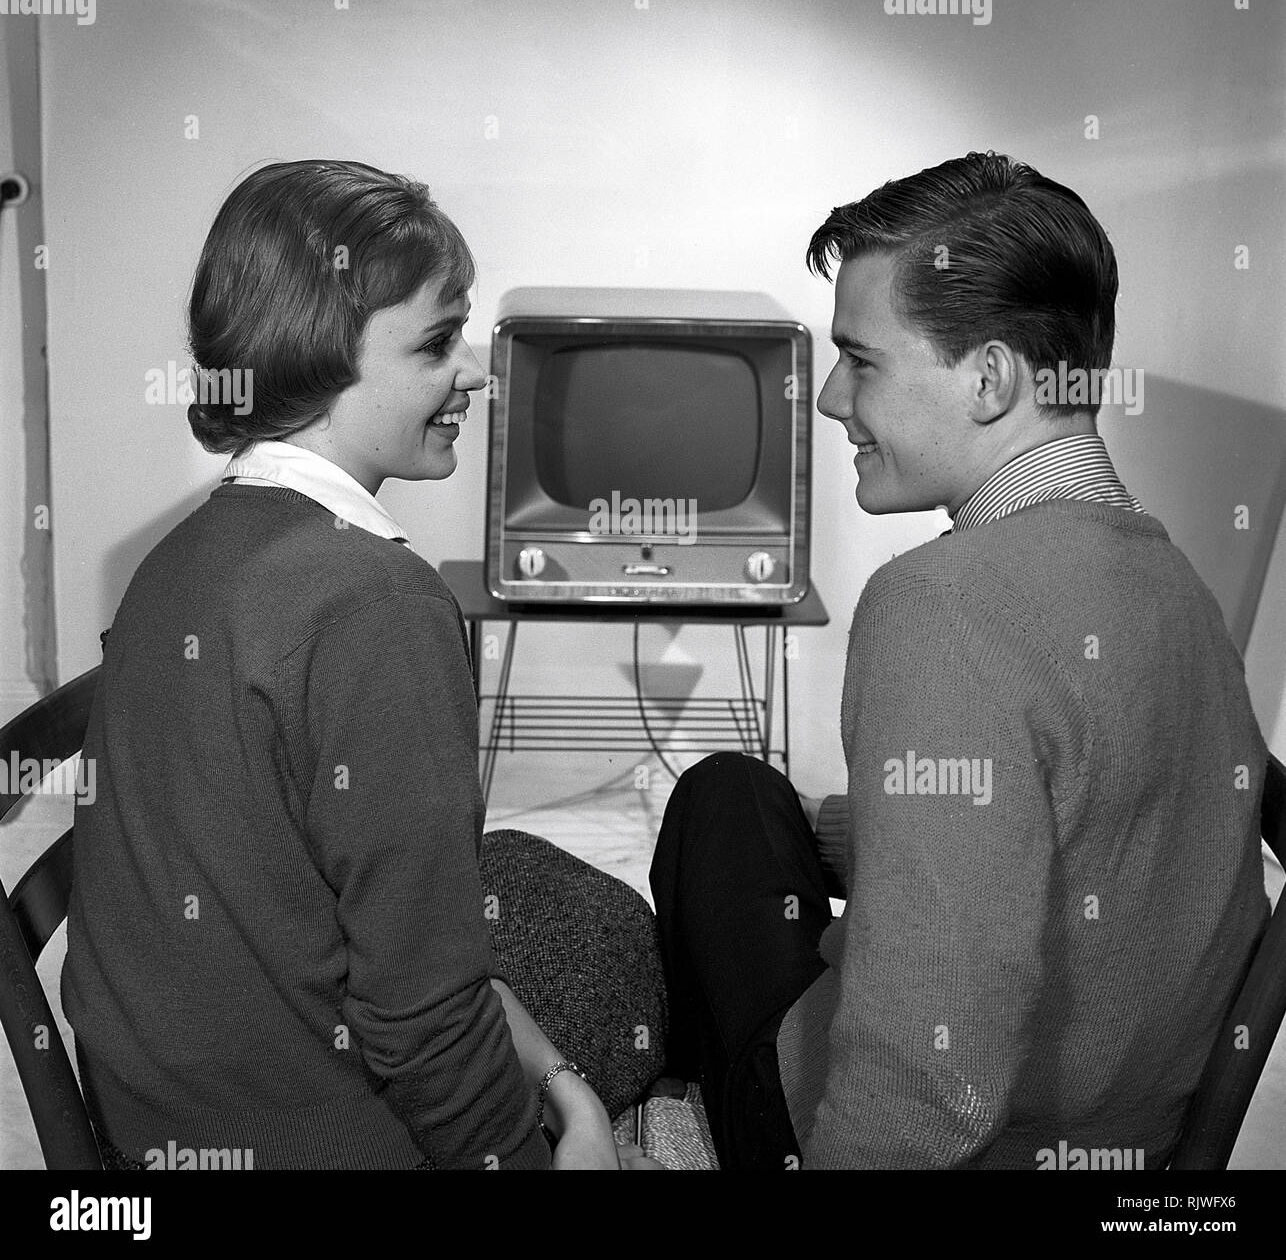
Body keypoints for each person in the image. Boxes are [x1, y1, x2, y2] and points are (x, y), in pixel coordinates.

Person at [649, 151, 1271, 1170]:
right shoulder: (1174, 585)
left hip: (950, 1137)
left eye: (861, 359)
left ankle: (696, 1114)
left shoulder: (939, 607)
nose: (831, 399)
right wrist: (889, 828)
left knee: (717, 800)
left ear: (988, 378)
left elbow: (922, 1081)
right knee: (754, 798)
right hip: (1125, 1124)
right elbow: (1099, 820)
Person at [62, 159, 659, 1170]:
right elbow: (420, 1020)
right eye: (435, 342)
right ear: (316, 361)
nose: (474, 369)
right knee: (613, 933)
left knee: (521, 879)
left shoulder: (178, 554)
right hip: (309, 1130)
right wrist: (551, 1137)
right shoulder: (375, 604)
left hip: (167, 1103)